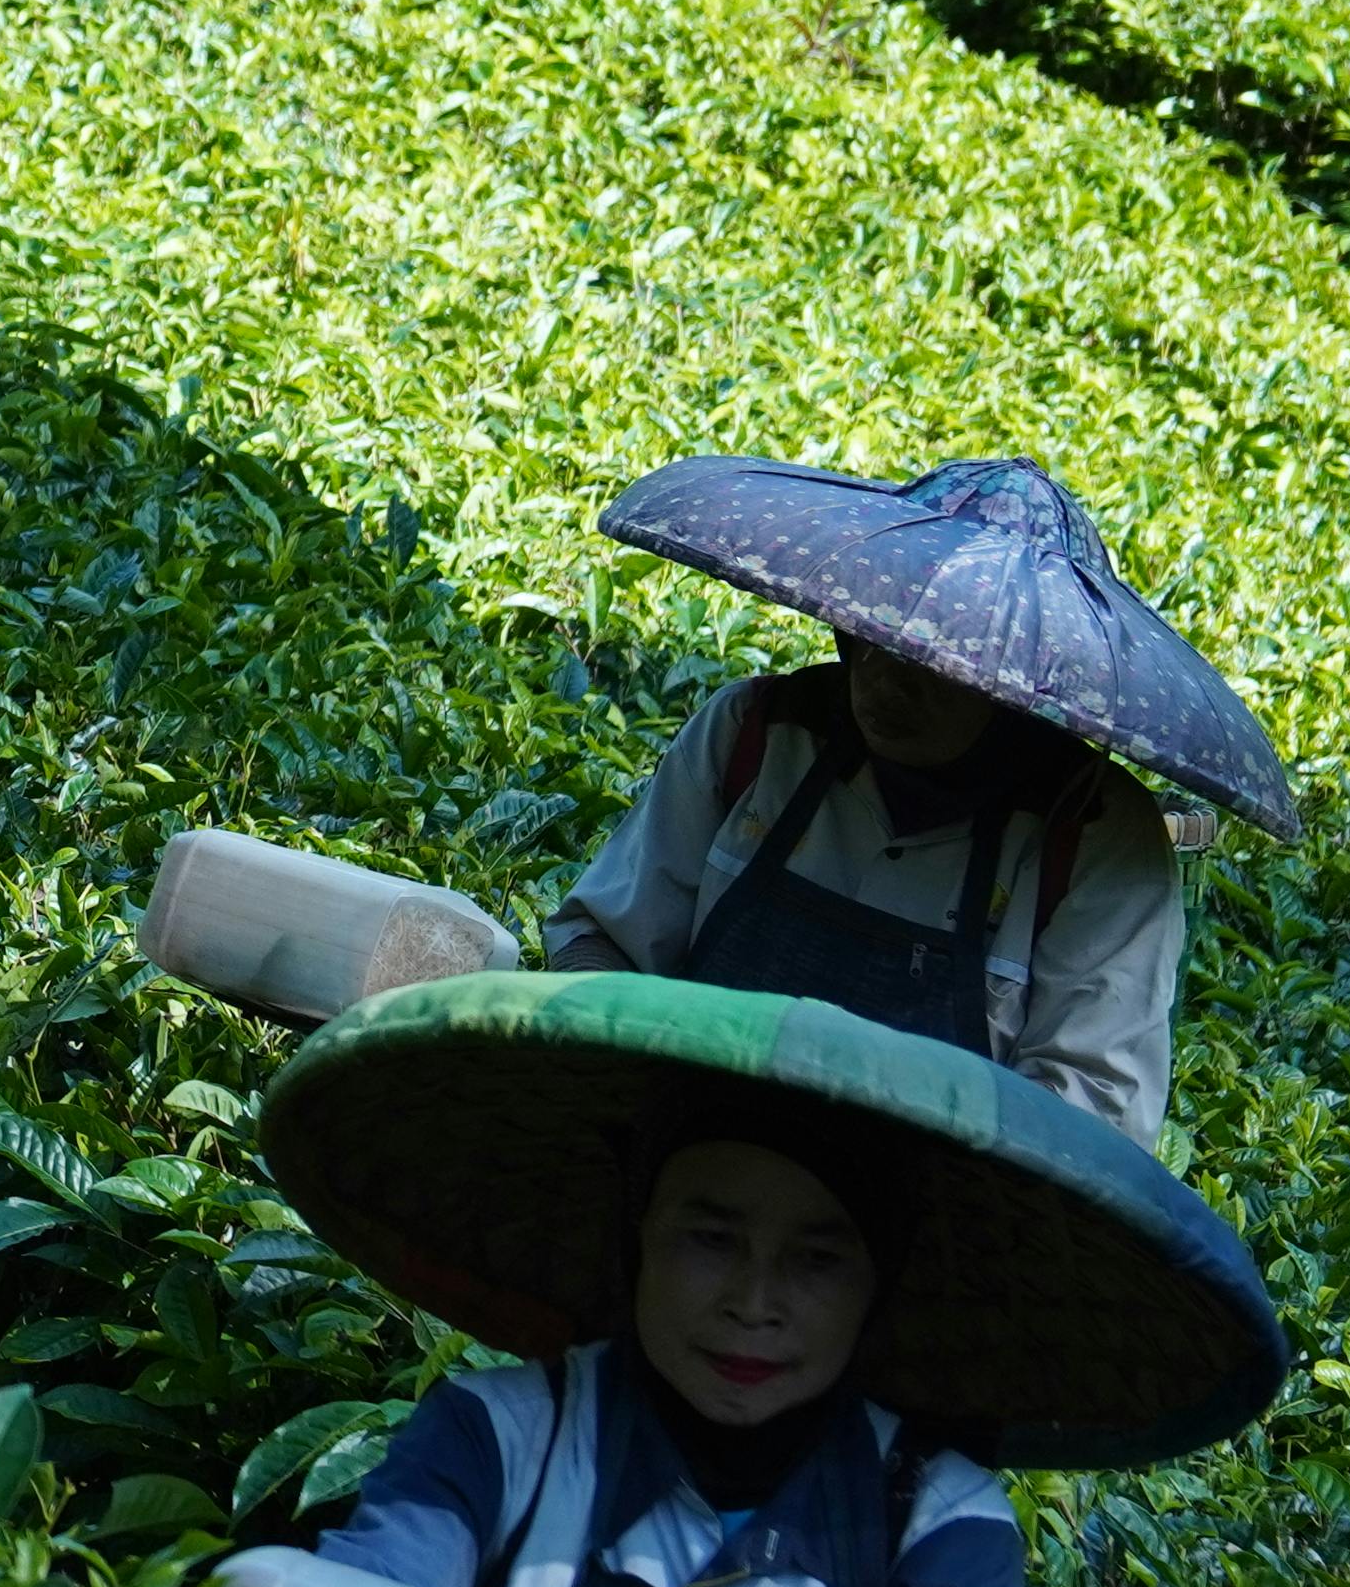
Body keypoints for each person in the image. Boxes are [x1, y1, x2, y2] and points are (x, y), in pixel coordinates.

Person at [257, 973, 1287, 1587]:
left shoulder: (938, 1517)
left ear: (877, 1286)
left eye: (818, 1261)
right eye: (711, 1239)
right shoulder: (503, 1436)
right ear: (638, 1234)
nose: (755, 1303)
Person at [541, 456, 1301, 1149]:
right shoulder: (756, 735)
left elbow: (1093, 1121)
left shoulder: (1096, 839)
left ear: (1021, 687)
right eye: (879, 632)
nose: (886, 676)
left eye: (940, 660)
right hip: (689, 1150)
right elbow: (602, 937)